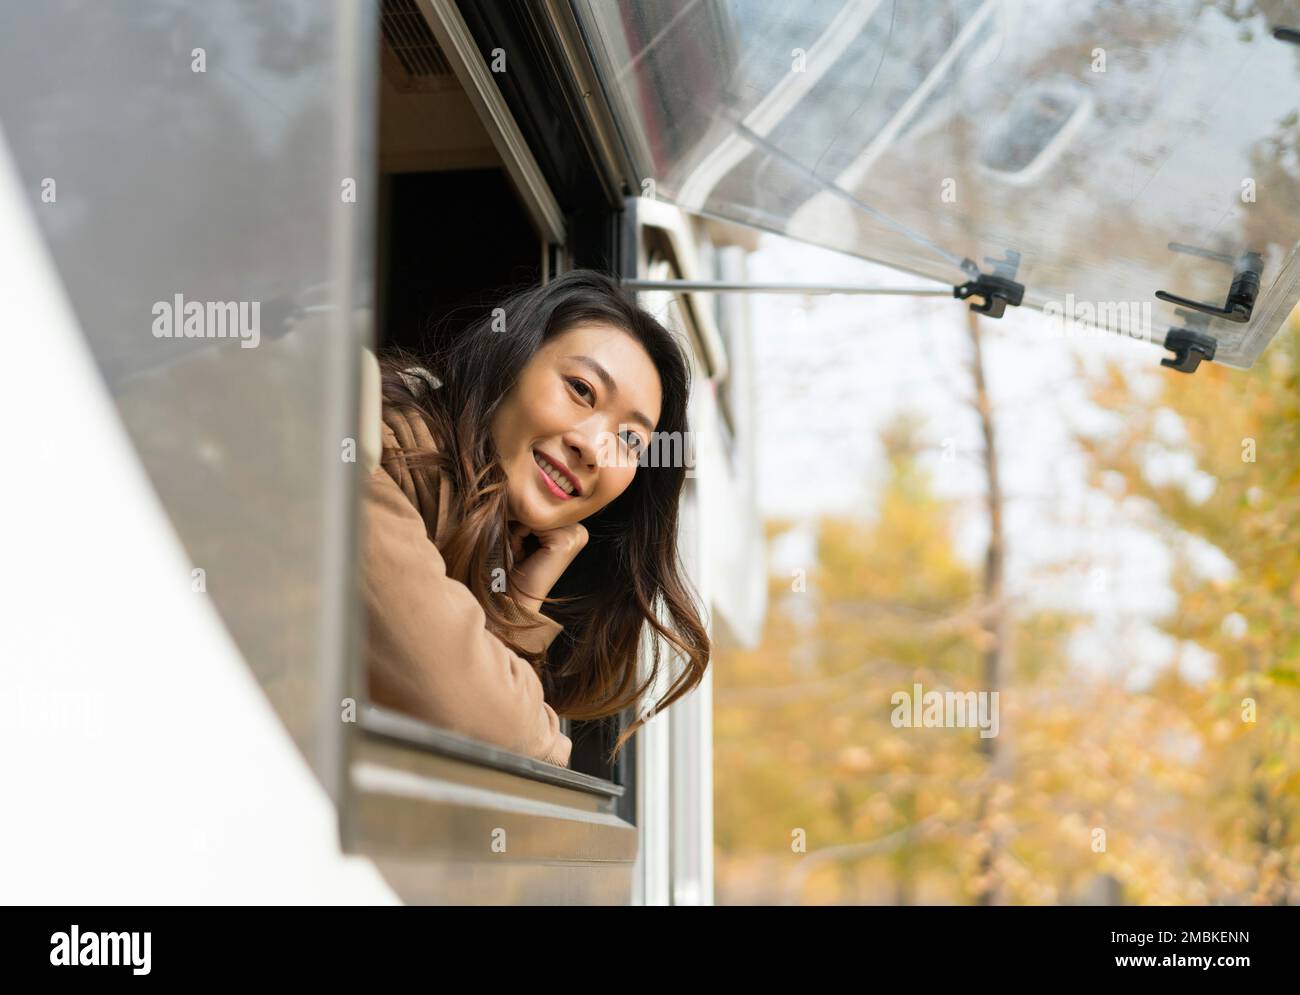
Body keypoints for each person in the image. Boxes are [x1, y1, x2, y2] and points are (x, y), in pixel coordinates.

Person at [362, 270, 711, 767]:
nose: (593, 447)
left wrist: (518, 602)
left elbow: (497, 750)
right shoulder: (367, 448)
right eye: (581, 390)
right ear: (510, 361)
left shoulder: (477, 544)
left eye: (631, 440)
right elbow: (488, 728)